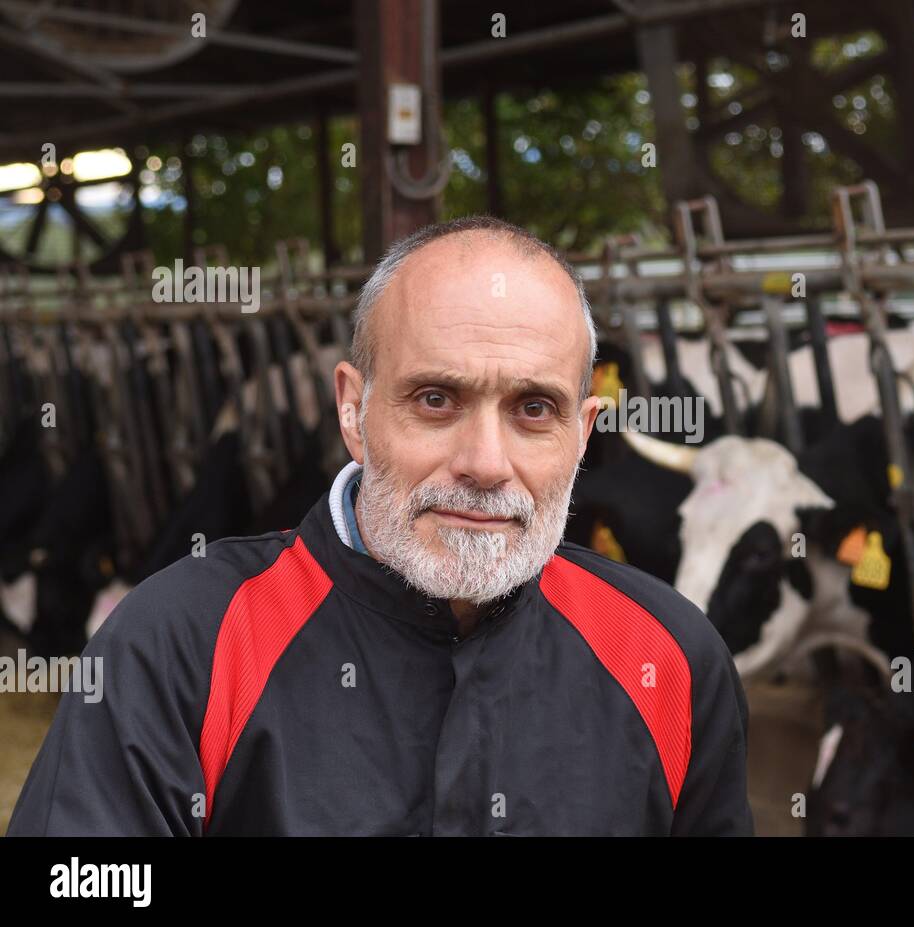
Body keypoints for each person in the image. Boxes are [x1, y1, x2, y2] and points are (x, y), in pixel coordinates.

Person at [7, 216, 754, 836]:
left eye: (534, 409)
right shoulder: (182, 644)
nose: (486, 463)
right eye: (435, 398)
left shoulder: (671, 660)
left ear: (585, 433)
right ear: (352, 412)